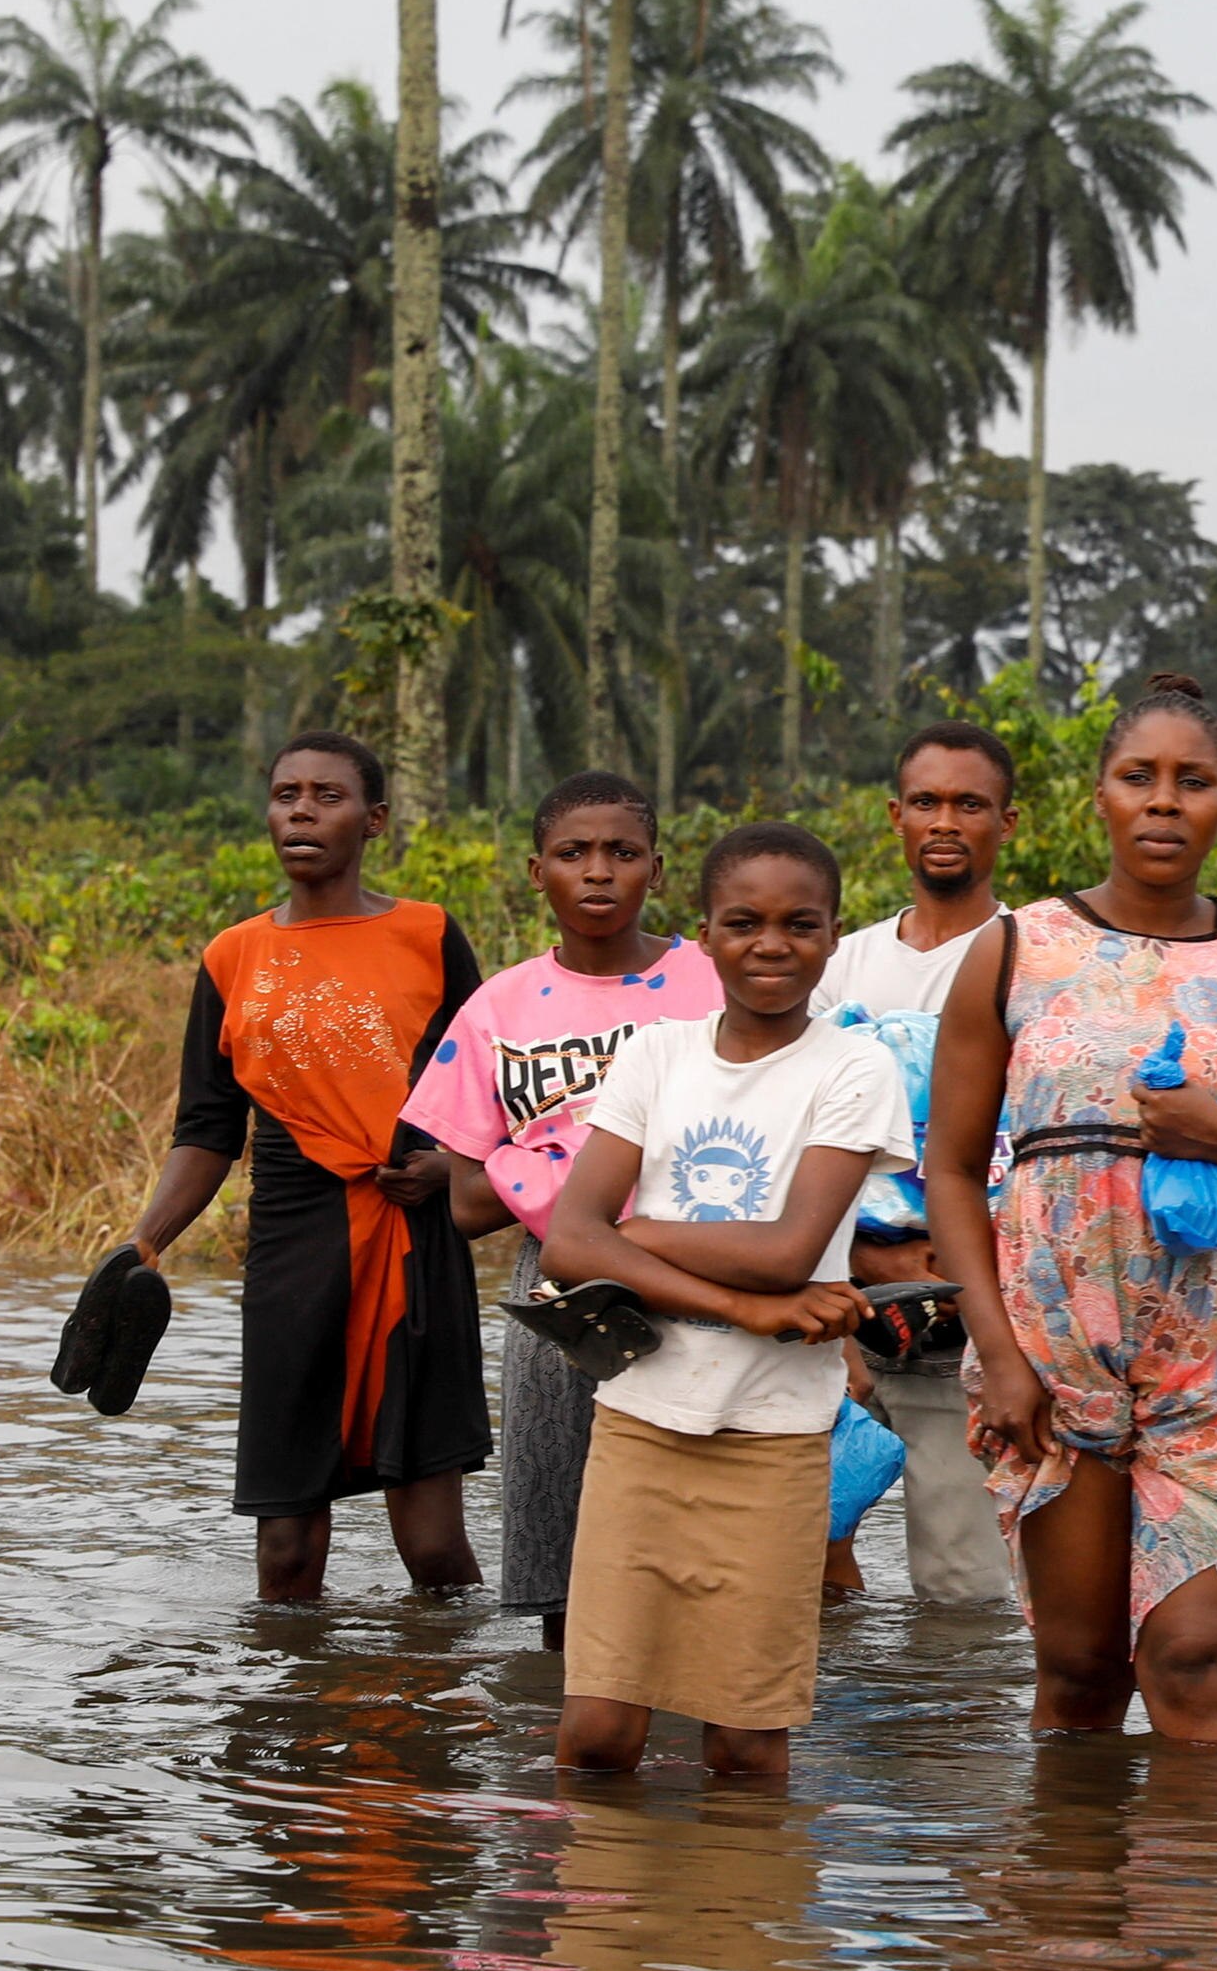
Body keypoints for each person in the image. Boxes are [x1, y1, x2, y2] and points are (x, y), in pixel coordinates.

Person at [926, 676, 1217, 1743]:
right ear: (1100, 798)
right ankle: (1073, 1858)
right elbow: (951, 1168)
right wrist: (999, 1354)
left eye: (1192, 781)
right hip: (1048, 1346)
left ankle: (1197, 1861)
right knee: (1078, 1672)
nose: (1163, 800)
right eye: (1138, 777)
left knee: (1193, 1652)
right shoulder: (1013, 949)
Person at [528, 824, 908, 1785]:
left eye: (799, 924)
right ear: (703, 935)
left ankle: (739, 1885)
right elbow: (570, 1242)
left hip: (776, 1436)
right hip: (640, 1422)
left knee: (744, 1739)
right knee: (598, 1731)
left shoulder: (853, 1069)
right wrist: (745, 1309)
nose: (770, 944)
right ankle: (607, 1887)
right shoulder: (656, 1054)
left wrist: (639, 1232)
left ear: (833, 937)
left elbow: (788, 1251)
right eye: (743, 922)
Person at [128, 734, 489, 1604]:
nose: (301, 810)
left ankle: (444, 1685)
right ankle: (291, 1687)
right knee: (287, 1550)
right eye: (286, 793)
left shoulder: (429, 934)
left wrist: (449, 1168)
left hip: (414, 1241)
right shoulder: (232, 956)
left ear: (374, 820)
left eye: (327, 795)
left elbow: (488, 1090)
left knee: (433, 1545)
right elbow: (207, 1130)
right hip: (293, 1252)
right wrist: (143, 1245)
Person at [404, 773, 721, 1645]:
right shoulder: (498, 1007)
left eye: (623, 852)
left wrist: (531, 1161)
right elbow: (467, 1202)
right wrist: (581, 1175)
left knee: (700, 1535)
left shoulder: (710, 982)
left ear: (657, 869)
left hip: (702, 1261)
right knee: (561, 1545)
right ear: (536, 870)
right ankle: (564, 1714)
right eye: (574, 853)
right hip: (559, 1293)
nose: (598, 871)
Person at [814, 720, 1018, 1606]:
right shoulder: (835, 964)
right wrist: (858, 1257)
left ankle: (944, 1709)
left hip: (974, 1323)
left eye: (969, 803)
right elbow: (793, 1133)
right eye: (926, 801)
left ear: (1006, 822)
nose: (945, 821)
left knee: (964, 1592)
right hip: (835, 1311)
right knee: (803, 1565)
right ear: (895, 815)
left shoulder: (1033, 957)